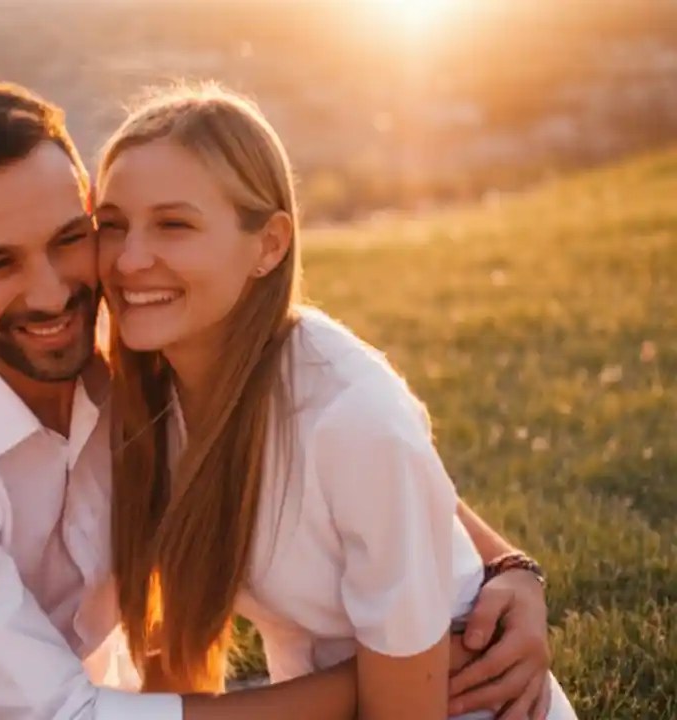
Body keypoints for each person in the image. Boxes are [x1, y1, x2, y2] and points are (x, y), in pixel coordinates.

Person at [0, 78, 558, 720]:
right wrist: (378, 675)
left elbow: (364, 447)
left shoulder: (142, 362)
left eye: (70, 239)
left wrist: (507, 568)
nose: (56, 292)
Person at [95, 82, 577, 720]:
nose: (129, 260)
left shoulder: (351, 415)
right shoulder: (158, 389)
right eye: (112, 226)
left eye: (174, 225)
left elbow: (405, 710)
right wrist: (511, 562)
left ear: (268, 245)